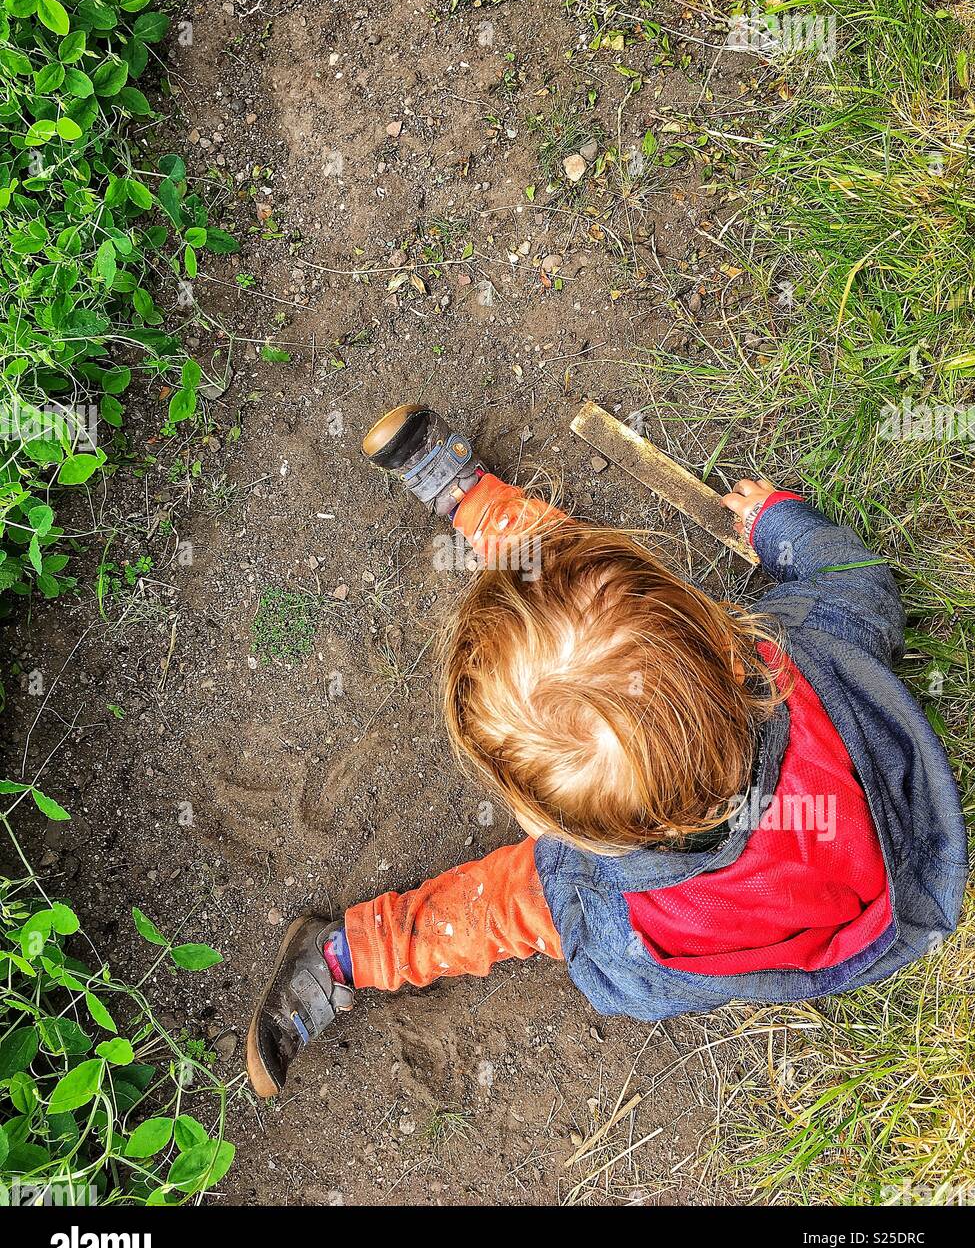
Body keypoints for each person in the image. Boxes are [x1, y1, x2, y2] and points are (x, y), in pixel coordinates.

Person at [246, 405, 966, 1098]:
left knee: (513, 903)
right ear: (724, 639)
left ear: (558, 832)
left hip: (790, 909)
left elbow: (631, 982)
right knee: (593, 604)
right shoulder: (813, 652)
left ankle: (354, 952)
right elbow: (857, 581)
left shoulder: (615, 911)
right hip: (892, 884)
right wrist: (776, 521)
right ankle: (491, 516)